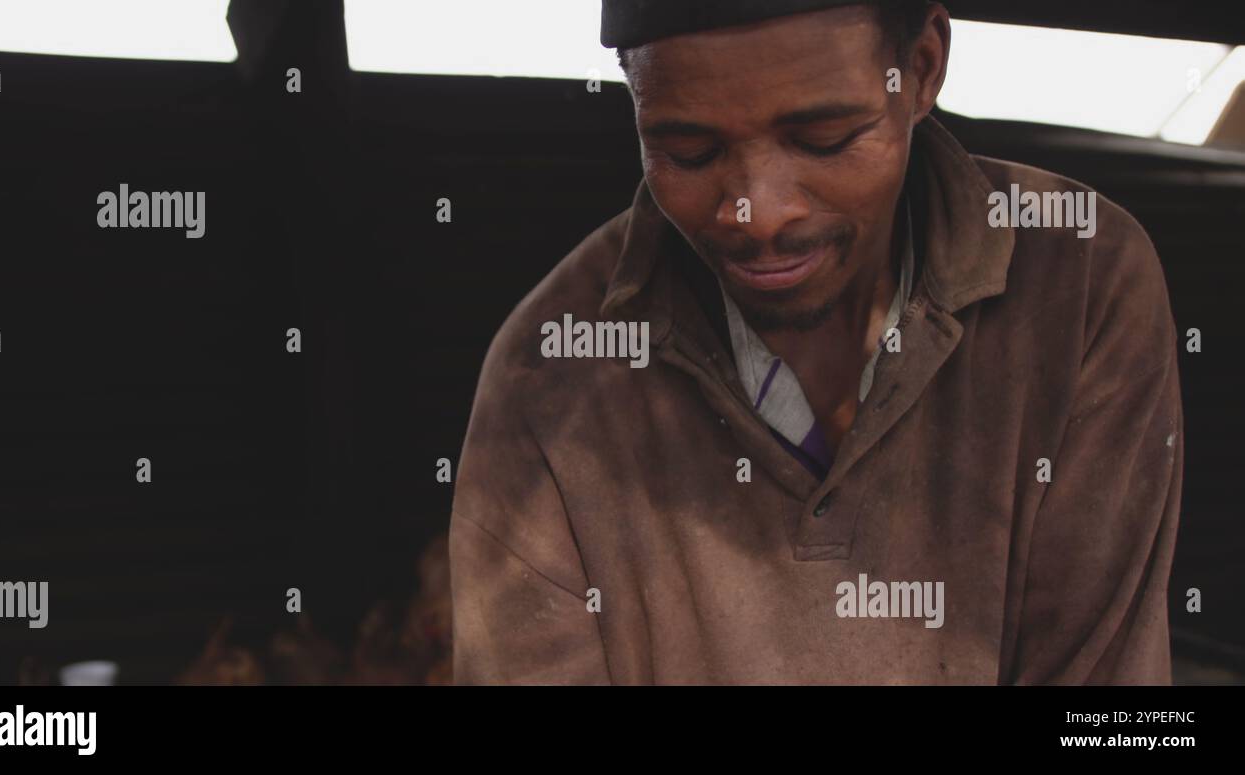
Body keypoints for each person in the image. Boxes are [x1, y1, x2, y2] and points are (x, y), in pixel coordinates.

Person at [449, 0, 1184, 684]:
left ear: (922, 67)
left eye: (823, 139)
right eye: (690, 152)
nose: (758, 213)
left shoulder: (1081, 284)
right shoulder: (553, 376)